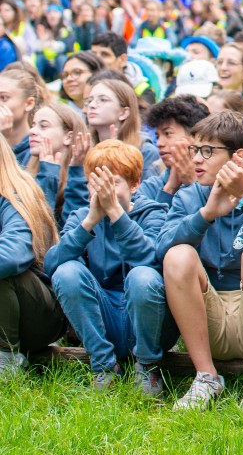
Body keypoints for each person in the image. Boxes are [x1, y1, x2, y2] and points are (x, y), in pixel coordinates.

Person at [155, 111, 243, 410]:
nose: (196, 159)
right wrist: (206, 214)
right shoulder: (188, 197)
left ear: (239, 156)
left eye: (207, 151)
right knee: (178, 254)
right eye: (194, 150)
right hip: (207, 319)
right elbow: (161, 252)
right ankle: (206, 377)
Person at [44, 140, 169, 390]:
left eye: (113, 183)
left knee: (142, 276)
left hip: (148, 320)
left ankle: (147, 368)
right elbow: (52, 265)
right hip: (105, 317)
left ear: (134, 186)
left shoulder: (153, 213)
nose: (104, 192)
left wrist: (116, 215)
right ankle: (104, 366)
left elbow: (152, 261)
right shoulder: (81, 217)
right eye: (97, 184)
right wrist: (90, 222)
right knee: (67, 271)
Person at [0, 136, 65, 374]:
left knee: (3, 272)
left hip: (38, 315)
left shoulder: (15, 194)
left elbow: (11, 255)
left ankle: (6, 360)